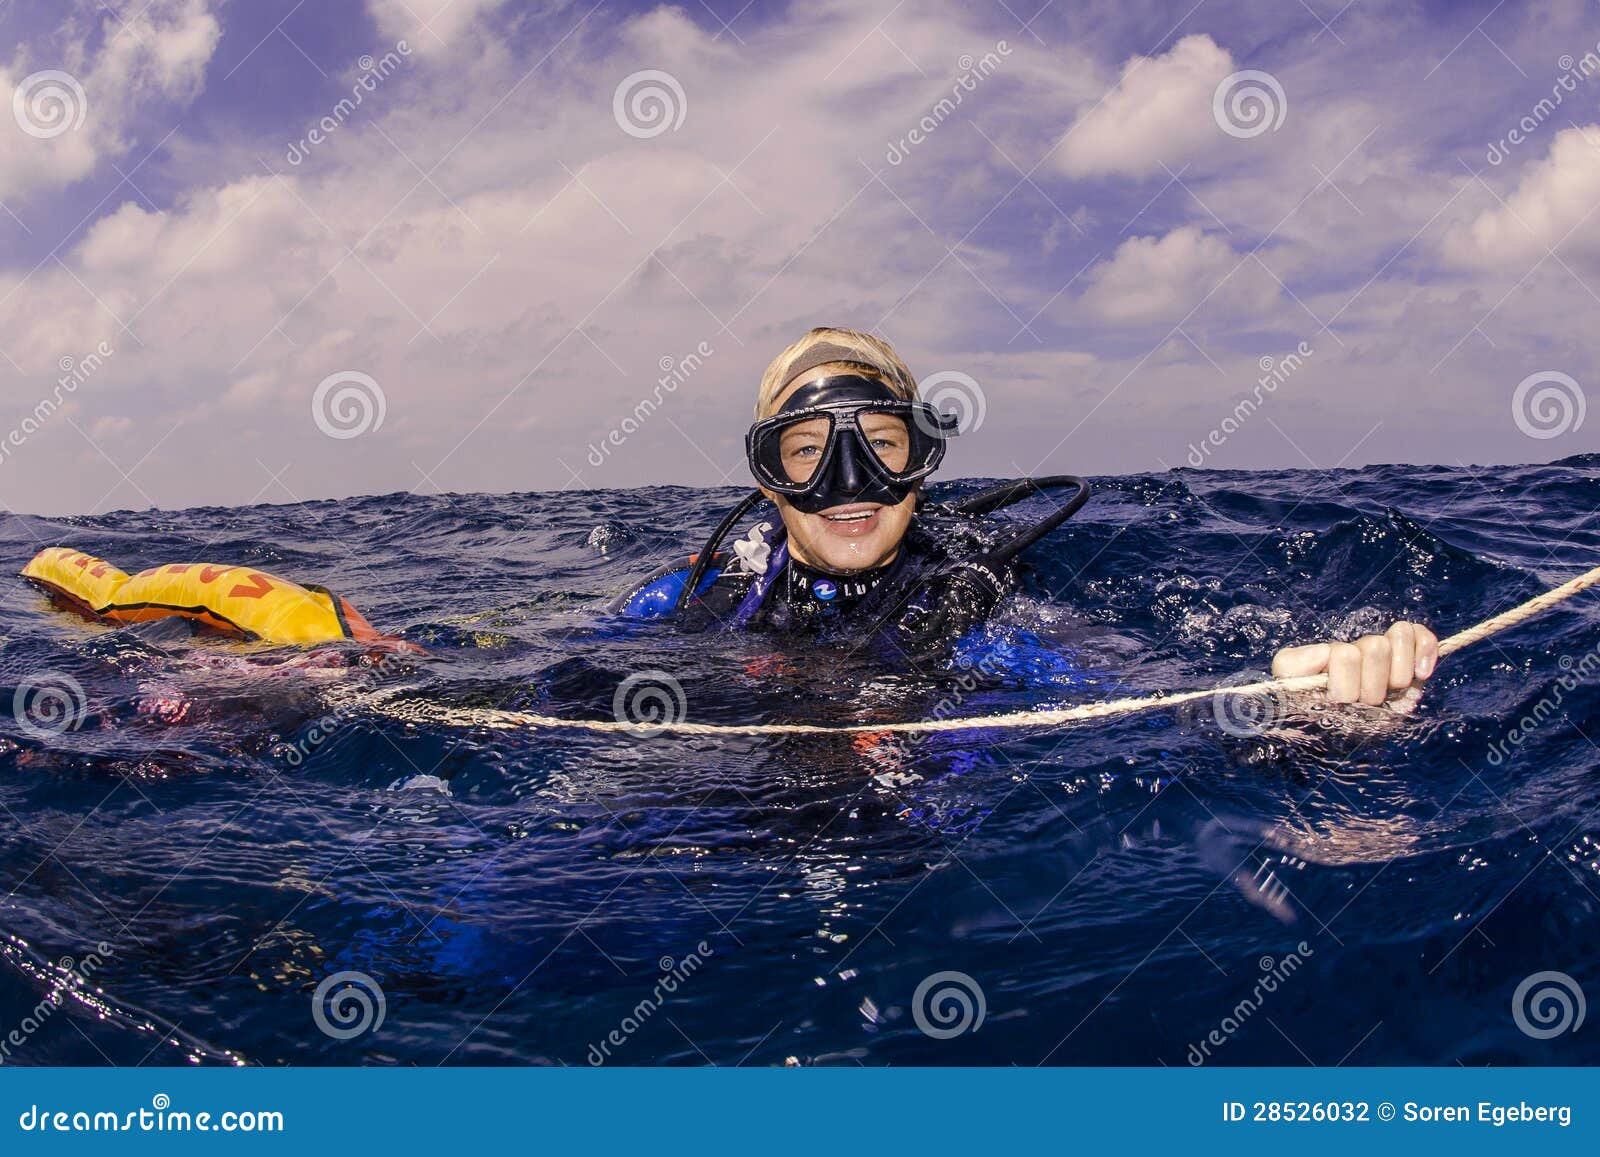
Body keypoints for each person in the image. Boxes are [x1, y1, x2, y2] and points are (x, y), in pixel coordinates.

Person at [616, 325, 1438, 706]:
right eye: (805, 453)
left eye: (883, 445)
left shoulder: (971, 605)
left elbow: (1152, 695)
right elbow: (554, 669)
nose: (849, 481)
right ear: (767, 482)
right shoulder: (709, 590)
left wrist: (1297, 704)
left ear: (922, 465)